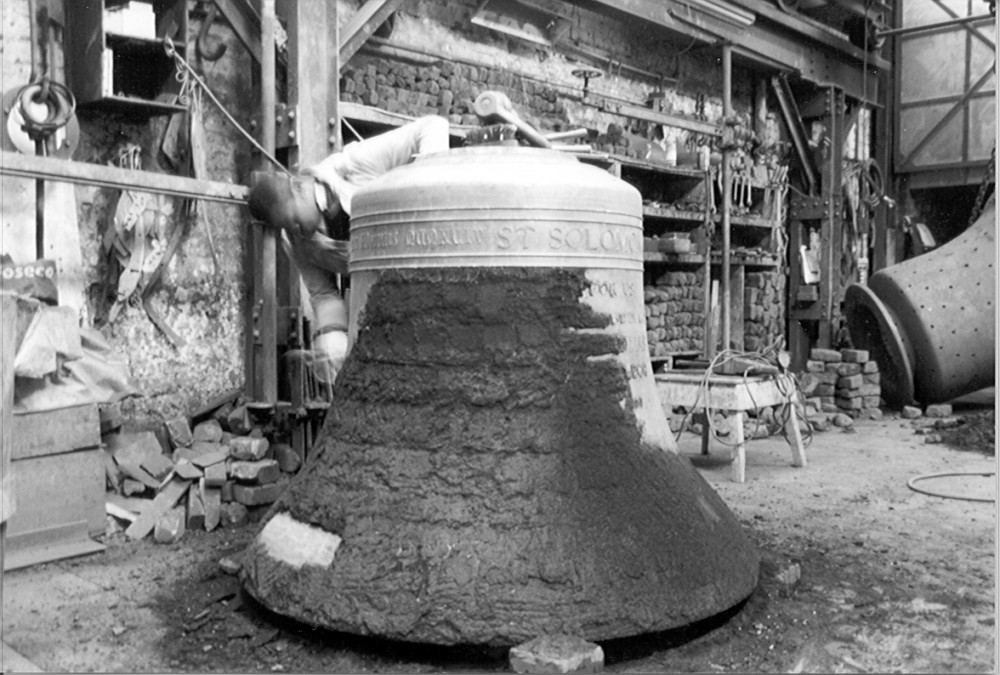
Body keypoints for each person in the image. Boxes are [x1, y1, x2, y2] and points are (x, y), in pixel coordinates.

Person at [248, 115, 451, 383]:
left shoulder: (355, 165)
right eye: (290, 227)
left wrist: (425, 194)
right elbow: (324, 293)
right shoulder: (296, 243)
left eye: (295, 220)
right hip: (391, 300)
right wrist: (331, 337)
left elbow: (432, 125)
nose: (298, 230)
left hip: (439, 261)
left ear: (299, 187)